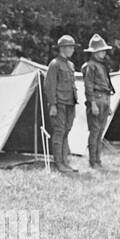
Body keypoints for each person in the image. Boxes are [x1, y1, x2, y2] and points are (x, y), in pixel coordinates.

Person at [45, 35, 79, 173]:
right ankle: (59, 163)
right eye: (70, 47)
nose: (72, 49)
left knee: (66, 132)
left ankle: (65, 162)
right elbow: (49, 86)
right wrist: (52, 104)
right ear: (62, 48)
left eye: (72, 47)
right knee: (59, 132)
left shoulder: (70, 65)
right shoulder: (55, 64)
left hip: (70, 103)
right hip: (59, 104)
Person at [82, 34, 114, 168]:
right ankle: (92, 160)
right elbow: (88, 86)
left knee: (100, 131)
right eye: (100, 50)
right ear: (93, 52)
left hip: (105, 99)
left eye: (104, 50)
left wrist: (109, 105)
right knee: (95, 131)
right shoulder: (90, 66)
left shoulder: (102, 66)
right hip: (96, 99)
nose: (103, 53)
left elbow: (106, 85)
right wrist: (92, 103)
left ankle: (98, 159)